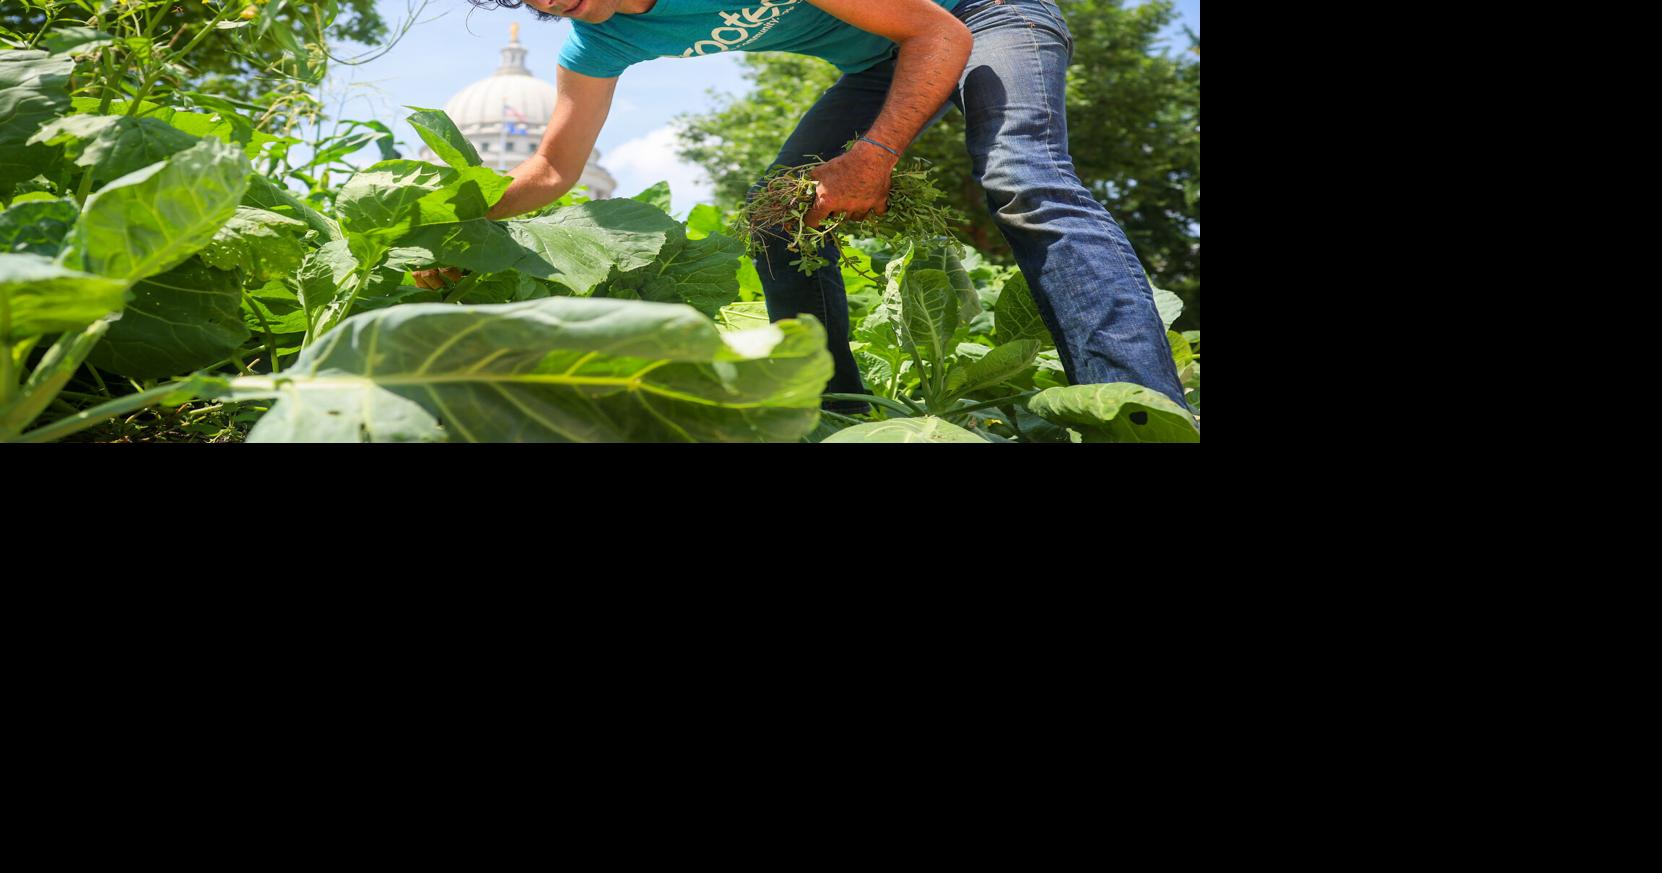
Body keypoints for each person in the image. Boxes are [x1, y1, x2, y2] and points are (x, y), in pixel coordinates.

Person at [416, 0, 1190, 415]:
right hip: (884, 56)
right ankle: (838, 411)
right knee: (777, 213)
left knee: (1024, 177)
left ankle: (1142, 412)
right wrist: (461, 233)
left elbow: (937, 31)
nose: (549, 2)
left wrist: (873, 156)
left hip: (982, 15)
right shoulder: (597, 42)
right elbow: (553, 167)